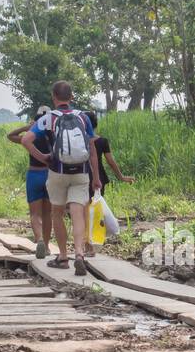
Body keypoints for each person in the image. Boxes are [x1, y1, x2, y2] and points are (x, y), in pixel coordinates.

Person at [22, 81, 100, 276]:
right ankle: (80, 254)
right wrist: (95, 177)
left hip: (58, 171)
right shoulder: (83, 117)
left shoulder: (48, 118)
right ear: (71, 97)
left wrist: (44, 157)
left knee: (57, 213)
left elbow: (25, 140)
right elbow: (92, 150)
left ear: (54, 97)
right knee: (77, 212)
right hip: (81, 171)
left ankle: (63, 257)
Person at [84, 115, 134, 256]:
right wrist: (121, 177)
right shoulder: (102, 141)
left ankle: (88, 246)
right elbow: (111, 162)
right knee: (96, 212)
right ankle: (94, 244)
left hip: (82, 177)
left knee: (85, 212)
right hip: (99, 179)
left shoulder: (80, 141)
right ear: (96, 124)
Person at [8, 105, 53, 258]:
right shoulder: (53, 134)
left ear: (36, 119)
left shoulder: (31, 136)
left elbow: (10, 136)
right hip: (50, 175)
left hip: (34, 174)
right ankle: (46, 247)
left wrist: (28, 127)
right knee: (48, 214)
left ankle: (39, 239)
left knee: (35, 214)